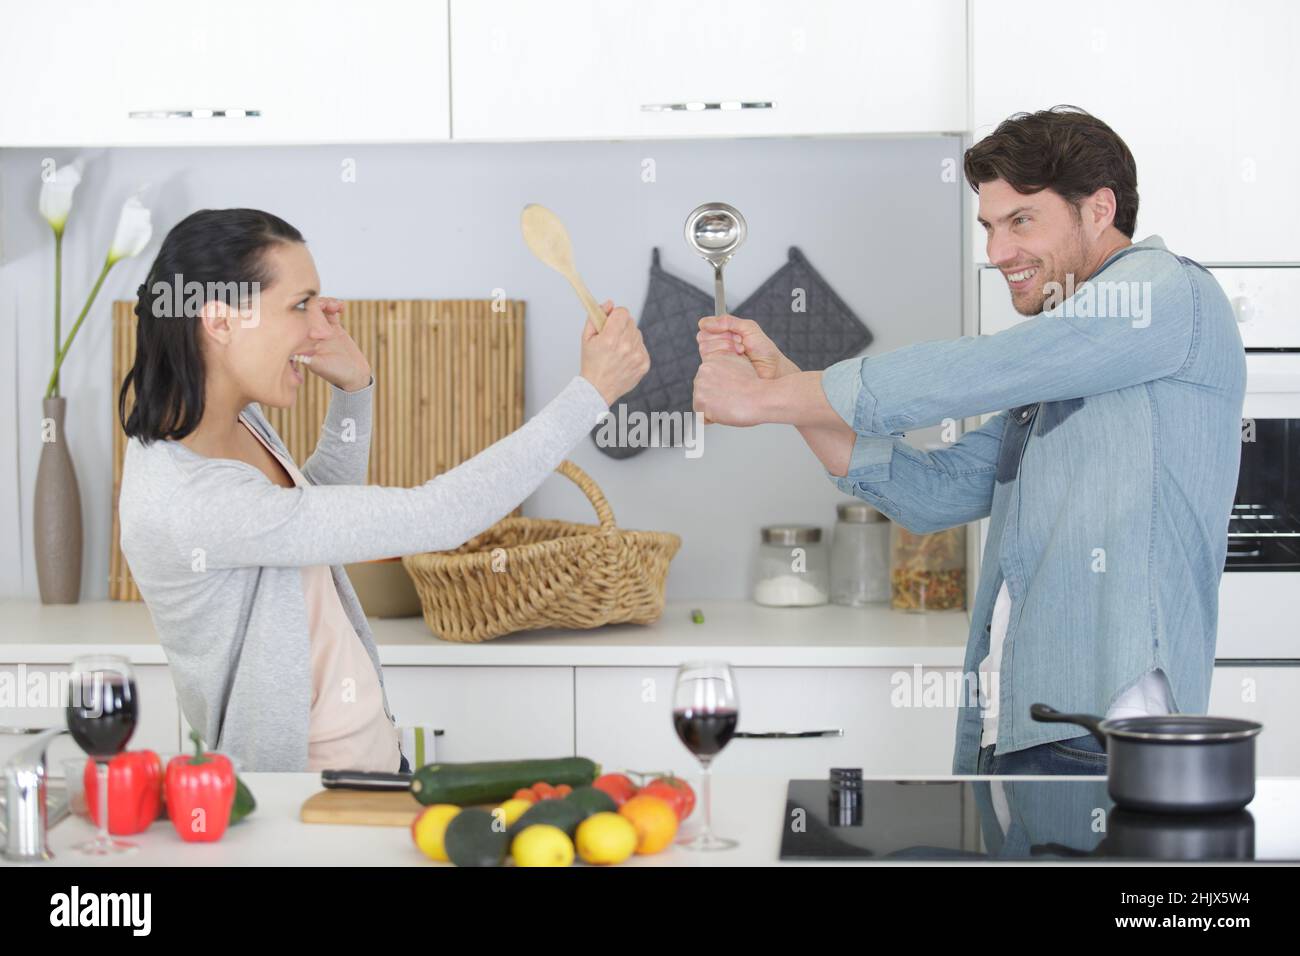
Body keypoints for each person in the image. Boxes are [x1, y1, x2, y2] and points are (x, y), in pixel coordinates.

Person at [692, 106, 1246, 775]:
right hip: (1015, 724)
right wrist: (788, 394)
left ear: (1099, 209)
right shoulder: (1063, 359)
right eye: (988, 227)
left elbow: (980, 370)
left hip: (1107, 736)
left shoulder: (1166, 294)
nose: (997, 253)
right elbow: (935, 492)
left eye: (1021, 221)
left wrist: (763, 398)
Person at [119, 208, 649, 772]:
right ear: (221, 322)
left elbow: (305, 528)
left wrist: (354, 390)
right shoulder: (193, 498)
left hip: (368, 752)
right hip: (307, 792)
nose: (320, 327)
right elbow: (438, 516)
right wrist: (591, 394)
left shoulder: (228, 424)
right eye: (300, 305)